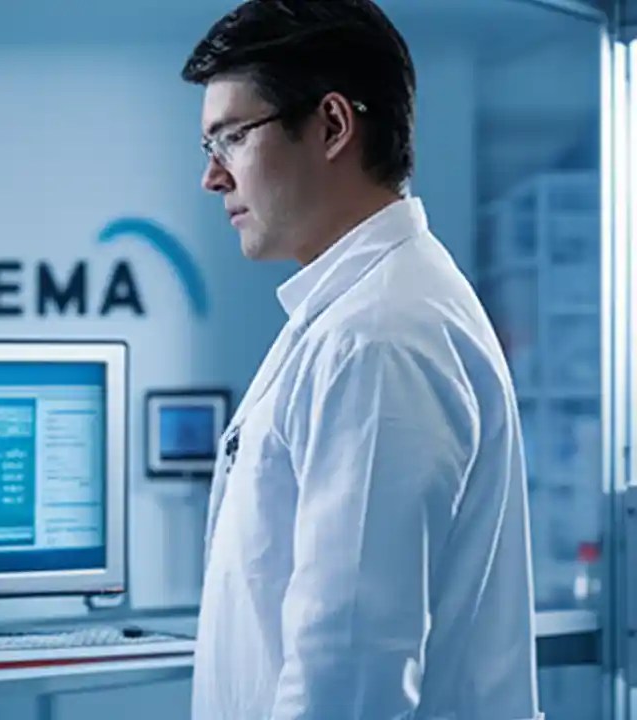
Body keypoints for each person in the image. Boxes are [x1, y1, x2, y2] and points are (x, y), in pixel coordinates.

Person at [180, 2, 540, 718]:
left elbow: (348, 674)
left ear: (333, 126)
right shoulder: (355, 313)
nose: (213, 179)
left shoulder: (379, 336)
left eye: (232, 139)